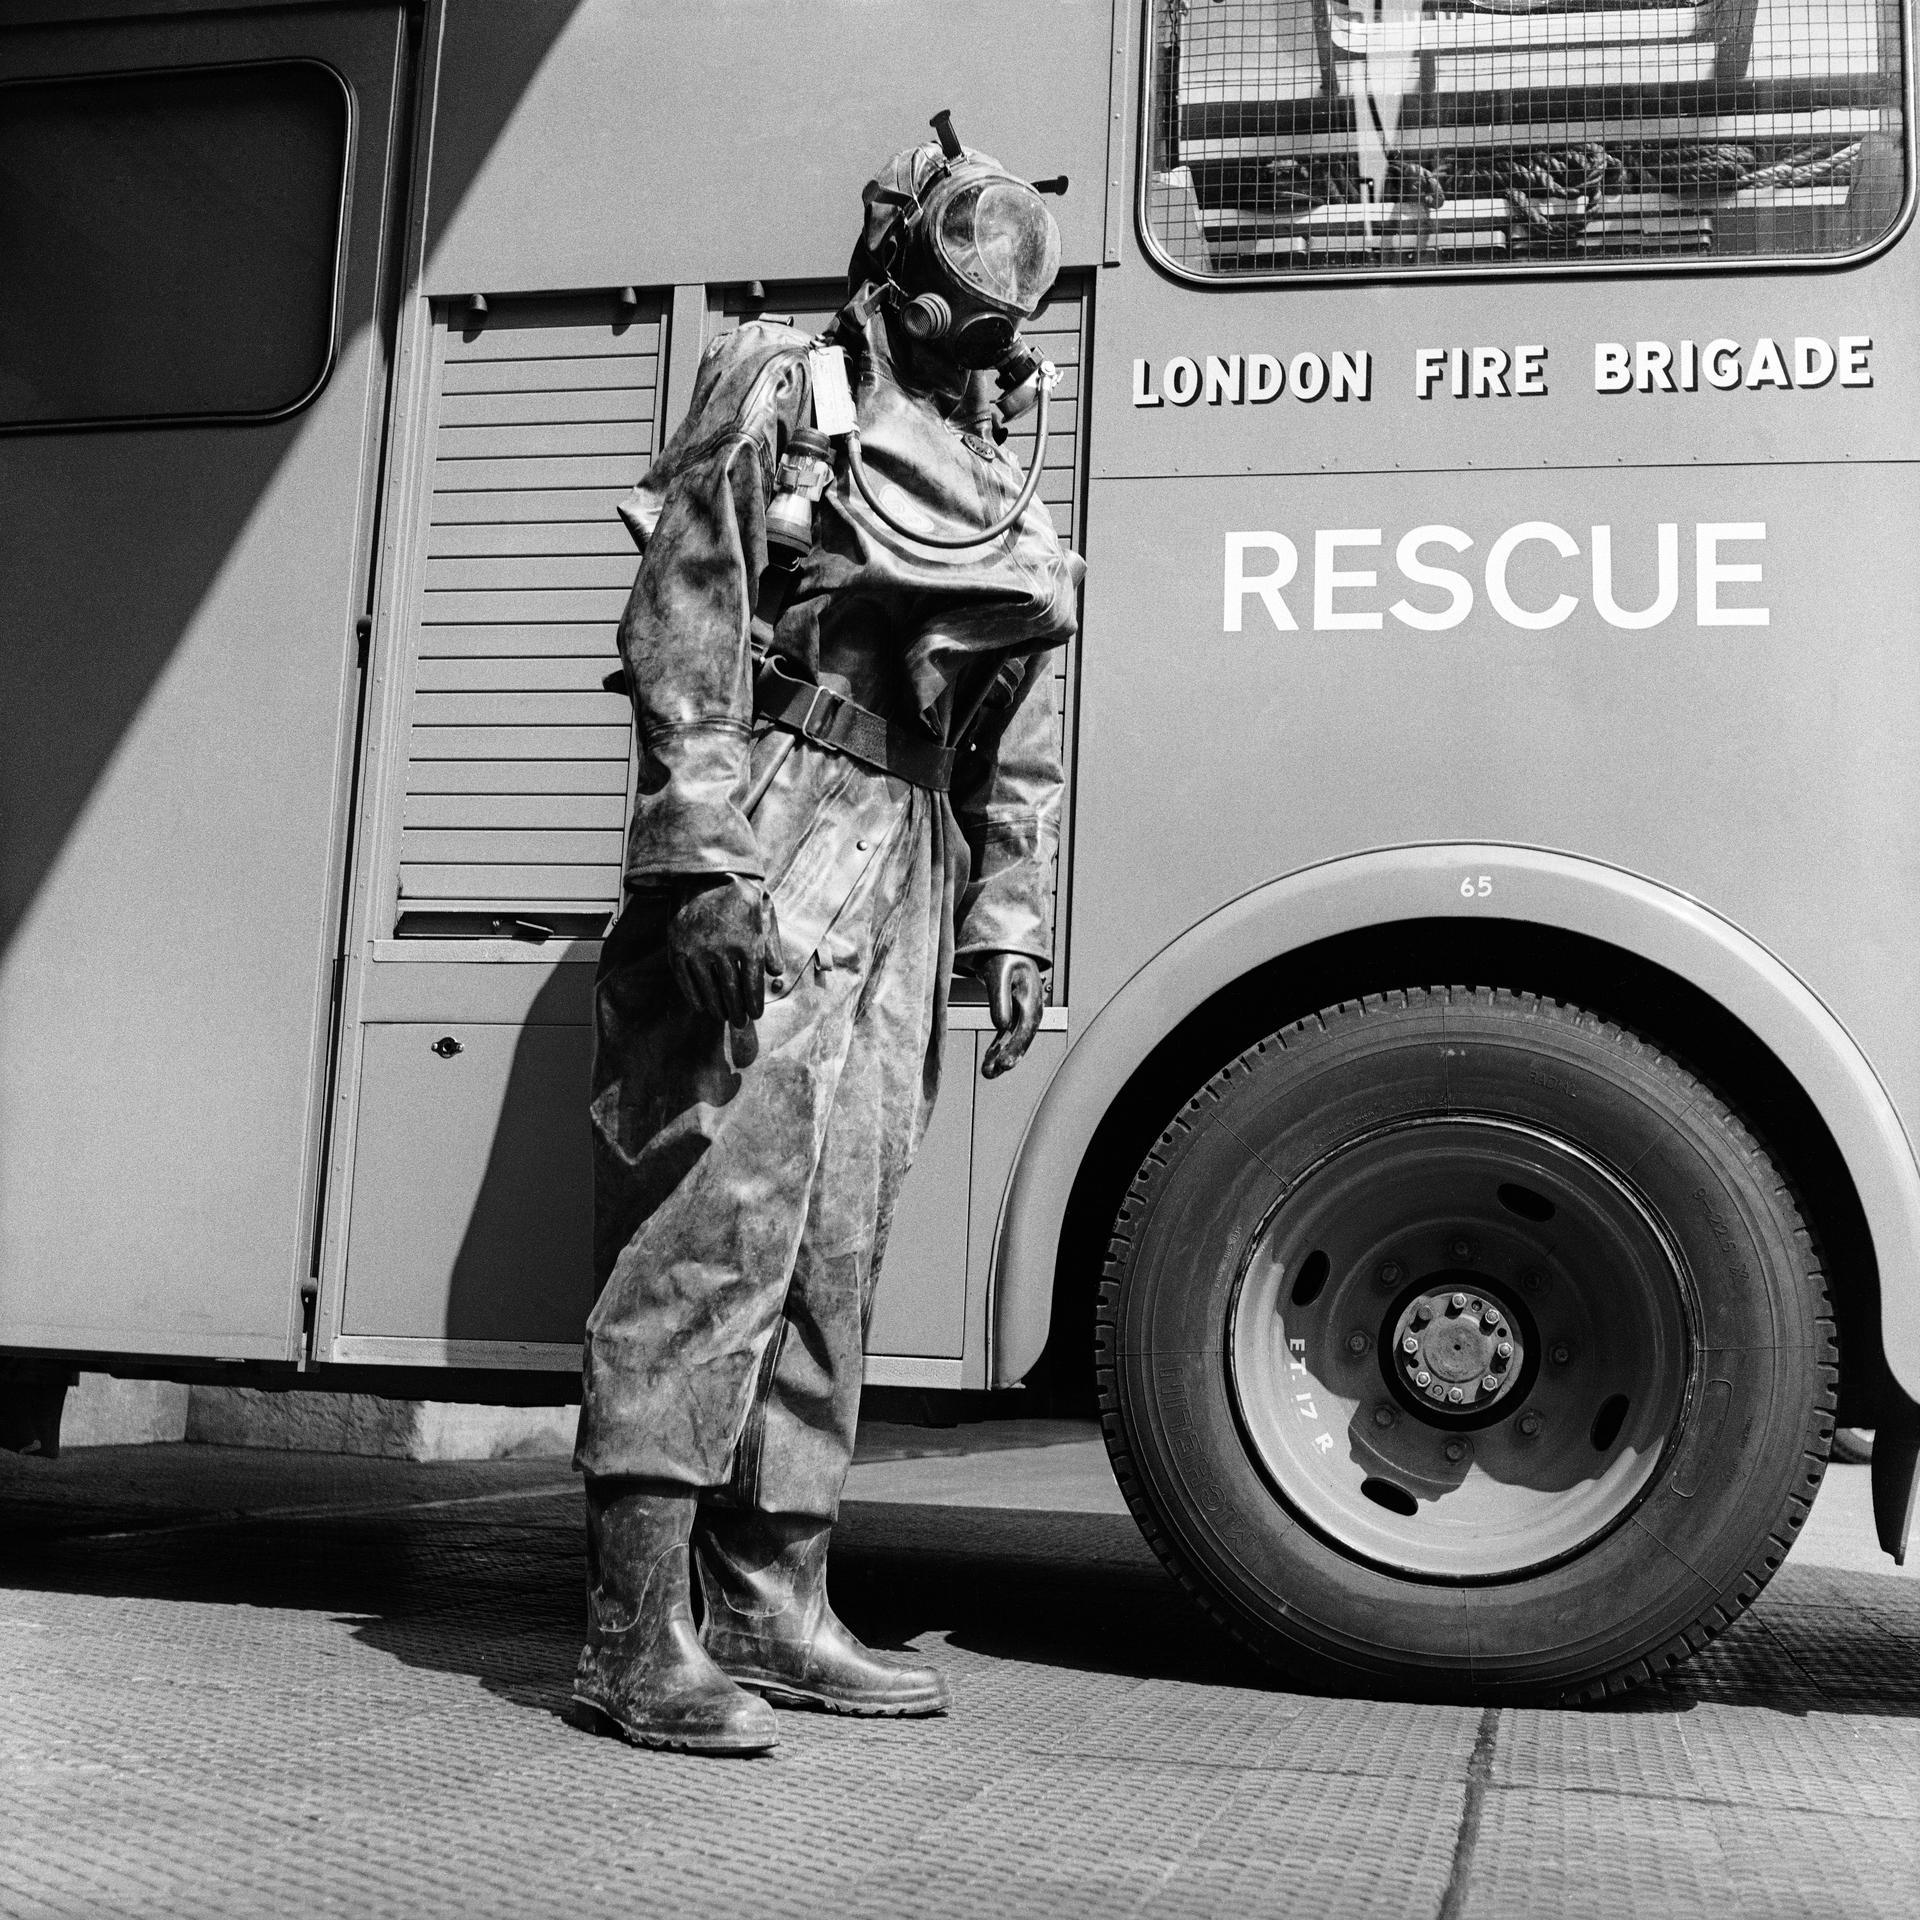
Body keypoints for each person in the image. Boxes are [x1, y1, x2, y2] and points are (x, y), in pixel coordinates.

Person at [571, 121, 1084, 1756]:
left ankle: (771, 1601)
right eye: (965, 300)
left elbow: (1022, 721)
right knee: (713, 1220)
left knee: (836, 1238)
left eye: (1006, 318)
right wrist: (701, 871)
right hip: (781, 813)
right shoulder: (786, 389)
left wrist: (1008, 914)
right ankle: (634, 1635)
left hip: (910, 845)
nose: (985, 338)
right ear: (899, 269)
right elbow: (689, 621)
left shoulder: (999, 466)